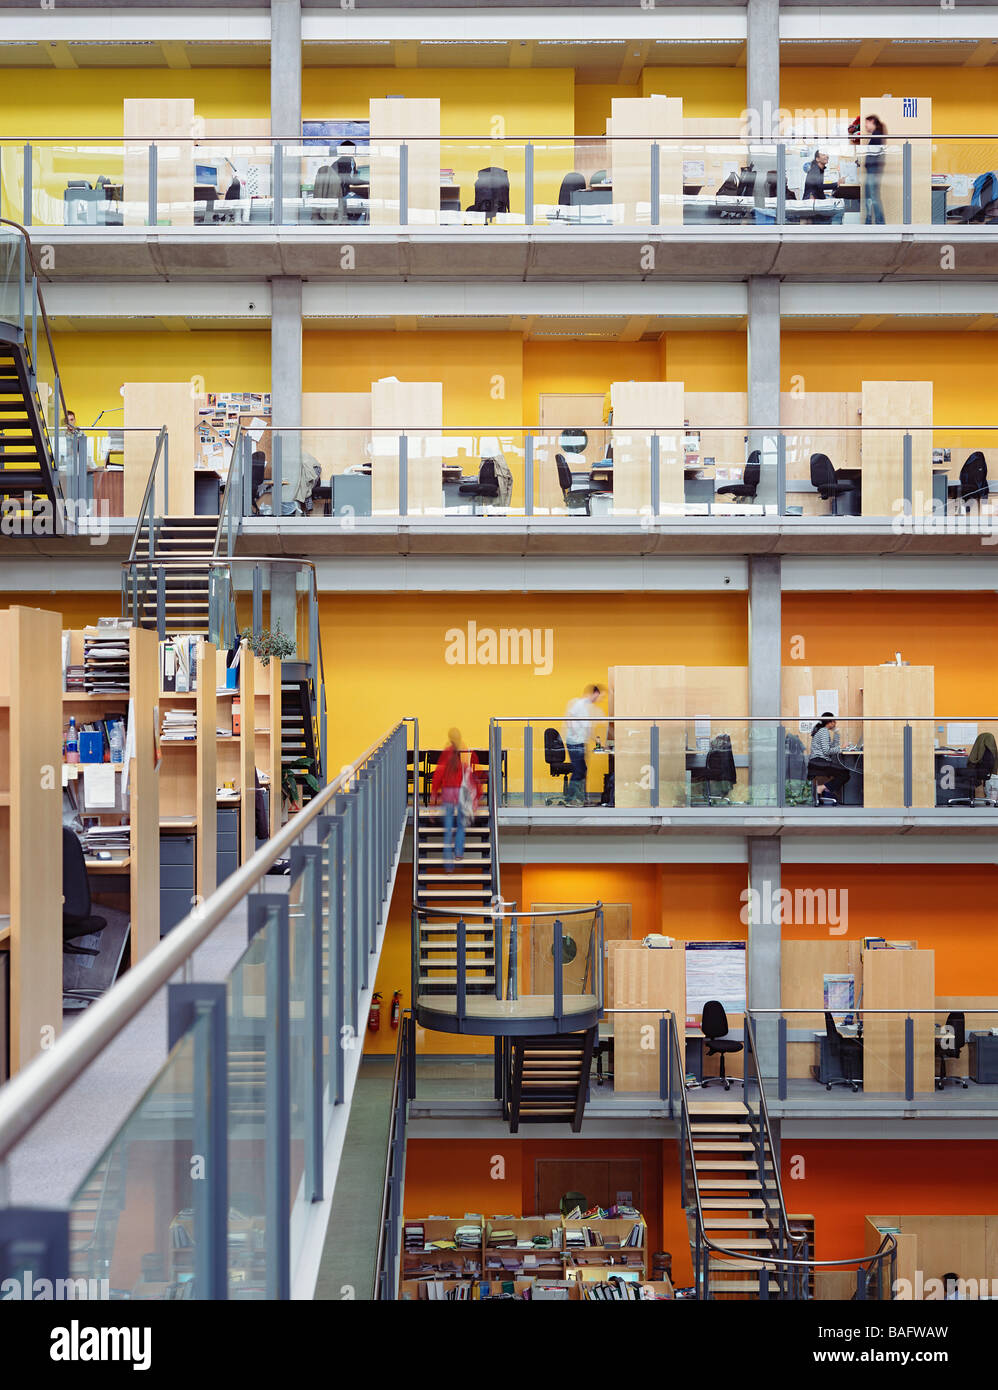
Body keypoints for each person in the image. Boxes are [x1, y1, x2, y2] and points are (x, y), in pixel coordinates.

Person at [430, 729, 482, 870]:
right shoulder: (465, 751)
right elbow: (473, 772)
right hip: (460, 793)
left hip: (447, 792)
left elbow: (438, 774)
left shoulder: (447, 752)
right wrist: (476, 798)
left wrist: (433, 796)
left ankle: (448, 865)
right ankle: (458, 853)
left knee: (448, 829)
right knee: (460, 825)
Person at [563, 683, 605, 807]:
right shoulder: (580, 704)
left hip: (581, 741)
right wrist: (574, 732)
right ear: (595, 693)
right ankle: (570, 799)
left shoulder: (588, 708)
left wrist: (599, 743)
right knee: (578, 770)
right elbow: (569, 718)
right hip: (574, 741)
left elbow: (587, 729)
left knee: (583, 770)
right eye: (600, 696)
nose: (600, 699)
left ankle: (581, 799)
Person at [808, 713, 851, 803]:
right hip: (819, 762)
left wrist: (836, 734)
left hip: (819, 762)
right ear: (830, 722)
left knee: (843, 772)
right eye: (834, 721)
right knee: (844, 773)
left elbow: (831, 747)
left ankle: (826, 789)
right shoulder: (823, 731)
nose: (835, 723)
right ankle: (822, 788)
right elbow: (827, 751)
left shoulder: (823, 731)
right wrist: (842, 748)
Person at [862, 115, 887, 225]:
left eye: (866, 123)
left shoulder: (876, 135)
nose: (865, 126)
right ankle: (869, 221)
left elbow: (875, 154)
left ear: (872, 122)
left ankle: (879, 222)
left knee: (872, 196)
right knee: (870, 196)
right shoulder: (876, 135)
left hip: (873, 169)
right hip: (872, 169)